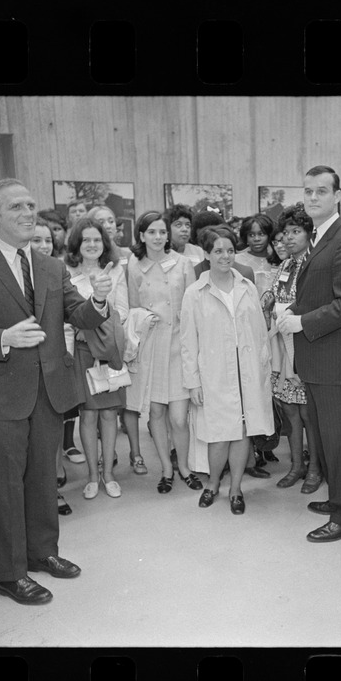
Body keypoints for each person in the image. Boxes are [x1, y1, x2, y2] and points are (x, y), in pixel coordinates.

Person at [0, 178, 116, 606]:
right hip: (1, 396)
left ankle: (43, 553)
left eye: (31, 205)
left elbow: (77, 313)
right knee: (3, 488)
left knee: (43, 479)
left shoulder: (51, 266)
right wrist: (4, 337)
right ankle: (9, 574)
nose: (27, 213)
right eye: (16, 206)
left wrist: (97, 302)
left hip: (48, 391)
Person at [277, 165, 341, 543]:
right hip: (317, 360)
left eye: (320, 191)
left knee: (338, 442)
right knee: (327, 439)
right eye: (307, 191)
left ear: (337, 196)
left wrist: (302, 323)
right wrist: (294, 311)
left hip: (334, 361)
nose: (312, 197)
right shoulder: (320, 237)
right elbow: (321, 294)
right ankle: (338, 500)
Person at [181, 226, 273, 514]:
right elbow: (188, 341)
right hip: (214, 373)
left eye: (230, 250)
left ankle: (235, 488)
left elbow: (259, 333)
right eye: (218, 251)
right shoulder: (195, 293)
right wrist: (193, 382)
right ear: (207, 255)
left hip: (246, 372)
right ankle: (212, 484)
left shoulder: (247, 286)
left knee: (243, 430)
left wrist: (262, 372)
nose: (225, 256)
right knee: (218, 433)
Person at [126, 210, 201, 493]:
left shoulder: (183, 264)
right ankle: (166, 470)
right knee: (155, 413)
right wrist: (143, 318)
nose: (158, 237)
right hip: (151, 346)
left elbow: (194, 309)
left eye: (162, 232)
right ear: (142, 236)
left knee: (179, 418)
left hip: (179, 346)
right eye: (152, 232)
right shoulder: (133, 265)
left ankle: (184, 466)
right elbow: (132, 308)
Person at [65, 217, 130, 500]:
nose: (91, 244)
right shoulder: (64, 272)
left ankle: (109, 475)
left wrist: (99, 329)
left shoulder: (115, 271)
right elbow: (64, 313)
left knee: (109, 414)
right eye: (86, 239)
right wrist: (81, 330)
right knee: (88, 415)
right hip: (80, 351)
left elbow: (124, 310)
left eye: (96, 239)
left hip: (107, 349)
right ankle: (92, 475)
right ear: (76, 244)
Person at [264, 206, 323, 493]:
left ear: (309, 233)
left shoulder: (316, 262)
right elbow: (278, 296)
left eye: (296, 232)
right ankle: (296, 464)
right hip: (282, 346)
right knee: (290, 410)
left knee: (309, 411)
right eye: (285, 233)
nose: (288, 238)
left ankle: (314, 468)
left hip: (305, 345)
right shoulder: (285, 265)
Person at [28, 218, 75, 516]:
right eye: (37, 240)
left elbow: (75, 310)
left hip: (53, 366)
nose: (44, 245)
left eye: (48, 240)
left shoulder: (56, 270)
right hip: (19, 370)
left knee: (51, 437)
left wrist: (98, 300)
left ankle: (52, 490)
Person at [235, 213, 282, 297]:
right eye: (251, 235)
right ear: (246, 238)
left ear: (269, 236)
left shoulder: (279, 260)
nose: (256, 239)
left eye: (261, 234)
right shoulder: (235, 261)